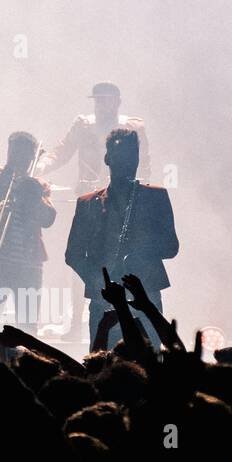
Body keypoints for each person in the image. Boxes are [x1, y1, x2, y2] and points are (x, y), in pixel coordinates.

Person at [63, 128, 178, 348]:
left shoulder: (156, 196)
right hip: (104, 298)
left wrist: (140, 251)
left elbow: (171, 246)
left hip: (145, 296)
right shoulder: (87, 202)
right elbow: (73, 254)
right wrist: (96, 281)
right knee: (101, 362)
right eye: (120, 155)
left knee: (152, 363)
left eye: (131, 155)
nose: (127, 161)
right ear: (107, 158)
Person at [0, 131, 56, 330]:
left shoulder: (39, 185)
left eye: (26, 155)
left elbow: (49, 219)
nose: (20, 159)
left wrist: (35, 199)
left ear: (32, 157)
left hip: (29, 264)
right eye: (16, 153)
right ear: (9, 152)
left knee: (28, 326)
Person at [40, 81, 150, 194]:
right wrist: (43, 165)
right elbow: (62, 151)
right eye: (98, 101)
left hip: (123, 194)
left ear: (117, 102)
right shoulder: (83, 126)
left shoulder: (133, 128)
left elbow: (143, 164)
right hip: (89, 195)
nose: (100, 106)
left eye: (106, 100)